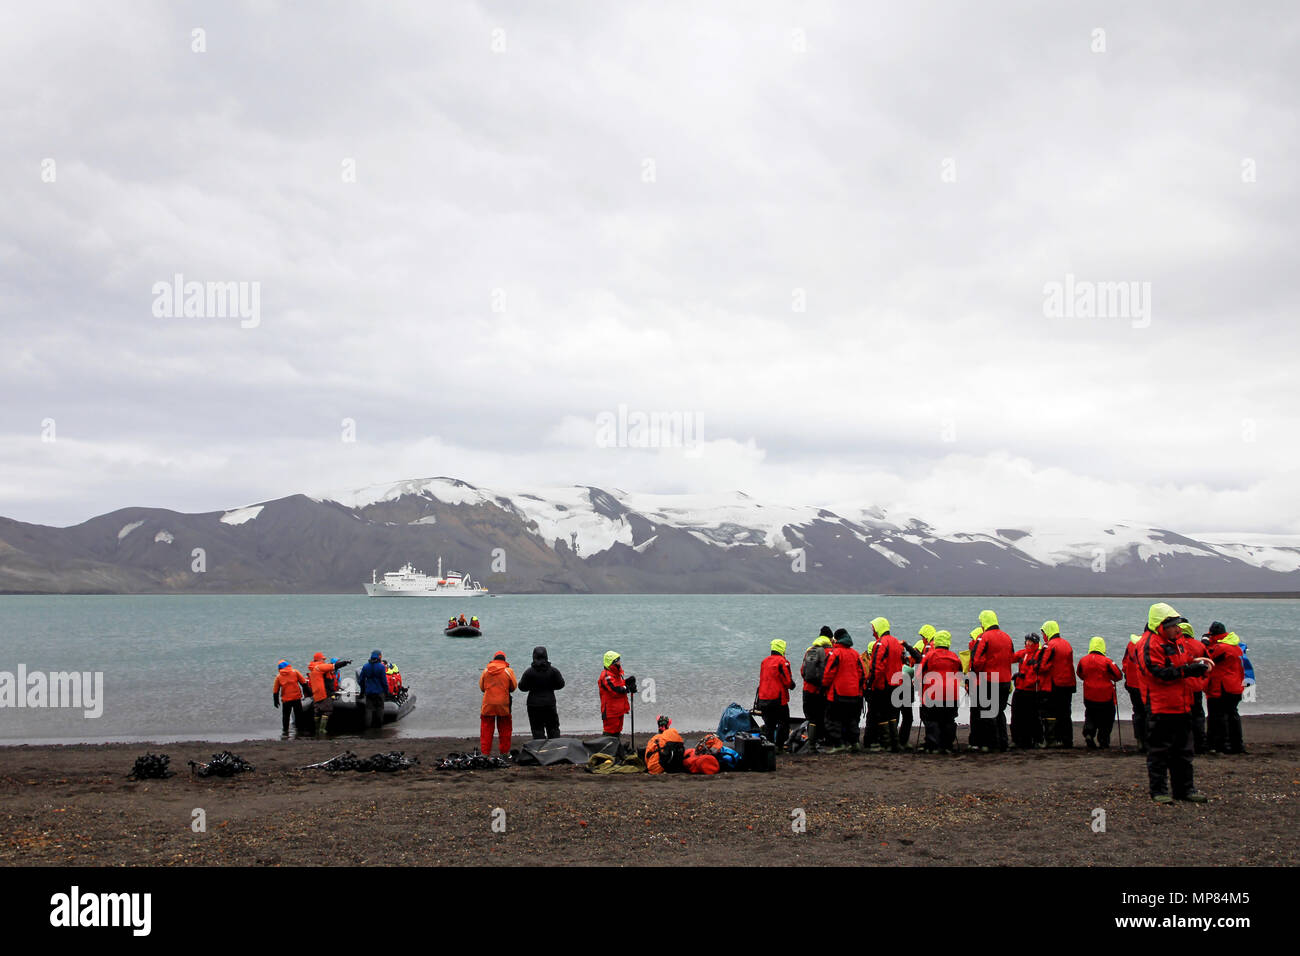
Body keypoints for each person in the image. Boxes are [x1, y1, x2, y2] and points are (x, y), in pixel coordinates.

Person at [1139, 602, 1212, 803]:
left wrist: (1197, 664)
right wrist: (1187, 671)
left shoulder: (1177, 642)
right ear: (1161, 625)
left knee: (1184, 750)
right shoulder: (1149, 644)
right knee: (1159, 751)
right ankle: (1159, 791)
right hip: (1160, 705)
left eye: (1177, 625)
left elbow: (1185, 660)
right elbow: (1156, 673)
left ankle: (1185, 789)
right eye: (1172, 625)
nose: (1177, 629)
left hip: (1182, 703)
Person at [970, 610, 1015, 752]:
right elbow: (1011, 657)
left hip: (989, 679)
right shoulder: (1007, 637)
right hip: (1005, 680)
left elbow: (976, 661)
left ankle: (991, 744)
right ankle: (1003, 743)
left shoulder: (984, 637)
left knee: (987, 713)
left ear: (984, 622)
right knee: (999, 712)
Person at [864, 617, 907, 752]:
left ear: (878, 628)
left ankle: (883, 743)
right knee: (892, 714)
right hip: (897, 683)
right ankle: (894, 743)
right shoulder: (897, 643)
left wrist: (870, 684)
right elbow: (902, 662)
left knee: (878, 714)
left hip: (883, 684)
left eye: (874, 629)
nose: (873, 632)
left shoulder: (880, 644)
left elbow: (877, 667)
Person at [1203, 622, 1246, 755]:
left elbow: (1206, 655)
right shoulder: (1236, 646)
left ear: (1213, 634)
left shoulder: (1220, 648)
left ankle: (1222, 745)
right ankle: (1237, 745)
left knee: (1218, 717)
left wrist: (1204, 642)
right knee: (1232, 715)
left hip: (1222, 687)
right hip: (1235, 686)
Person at [821, 629, 864, 753]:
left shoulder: (835, 653)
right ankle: (854, 743)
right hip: (853, 693)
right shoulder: (855, 654)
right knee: (851, 719)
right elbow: (861, 673)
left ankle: (838, 744)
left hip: (837, 693)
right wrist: (856, 686)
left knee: (832, 719)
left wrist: (823, 686)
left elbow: (829, 673)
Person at [920, 631, 963, 754]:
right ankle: (947, 745)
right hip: (951, 694)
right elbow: (960, 675)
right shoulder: (955, 657)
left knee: (932, 719)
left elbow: (919, 674)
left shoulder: (929, 656)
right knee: (948, 720)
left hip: (932, 694)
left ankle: (933, 745)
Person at [1076, 637, 1122, 748]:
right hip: (1105, 696)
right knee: (1107, 717)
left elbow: (1080, 673)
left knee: (1090, 714)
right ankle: (1103, 739)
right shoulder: (1107, 661)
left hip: (1089, 695)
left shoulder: (1083, 660)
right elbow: (1119, 675)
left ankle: (1089, 733)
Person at [1039, 621, 1076, 747]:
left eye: (1043, 632)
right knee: (1065, 713)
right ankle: (1067, 740)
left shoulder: (1049, 645)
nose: (1043, 635)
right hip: (1068, 684)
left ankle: (1051, 739)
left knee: (1050, 712)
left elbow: (1042, 666)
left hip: (1054, 684)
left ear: (1048, 631)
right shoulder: (1067, 644)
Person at [517, 646, 565, 739]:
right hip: (549, 703)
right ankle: (554, 749)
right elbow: (561, 684)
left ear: (533, 656)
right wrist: (551, 687)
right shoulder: (553, 671)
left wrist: (532, 686)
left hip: (533, 705)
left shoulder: (529, 672)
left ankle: (540, 751)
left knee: (537, 729)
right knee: (553, 728)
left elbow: (522, 687)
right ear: (546, 656)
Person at [757, 639, 797, 751]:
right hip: (777, 699)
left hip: (764, 698)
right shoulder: (782, 662)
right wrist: (793, 685)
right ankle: (779, 747)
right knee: (783, 723)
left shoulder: (764, 661)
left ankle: (769, 747)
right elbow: (788, 681)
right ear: (782, 649)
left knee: (769, 724)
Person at [801, 628, 834, 753]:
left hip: (808, 690)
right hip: (823, 691)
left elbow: (802, 671)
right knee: (824, 716)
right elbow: (831, 673)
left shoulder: (810, 650)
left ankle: (812, 743)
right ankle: (824, 741)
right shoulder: (830, 651)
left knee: (811, 717)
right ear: (830, 639)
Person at [479, 651, 518, 756]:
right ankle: (504, 752)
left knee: (486, 729)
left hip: (488, 703)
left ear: (494, 659)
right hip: (503, 704)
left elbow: (482, 688)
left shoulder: (486, 671)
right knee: (505, 729)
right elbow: (513, 687)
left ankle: (485, 753)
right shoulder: (508, 671)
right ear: (504, 660)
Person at [1180, 622, 1210, 754]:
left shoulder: (1176, 645)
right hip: (1196, 686)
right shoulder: (1200, 645)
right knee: (1198, 715)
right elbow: (1208, 664)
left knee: (1182, 716)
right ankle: (1200, 745)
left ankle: (1184, 744)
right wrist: (1203, 678)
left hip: (1181, 686)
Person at [307, 652, 350, 736]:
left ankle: (316, 729)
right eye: (323, 659)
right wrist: (345, 663)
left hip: (316, 693)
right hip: (324, 693)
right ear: (319, 659)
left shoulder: (313, 669)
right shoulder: (319, 667)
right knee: (326, 711)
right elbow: (333, 666)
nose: (324, 661)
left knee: (317, 712)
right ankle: (322, 730)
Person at [1010, 634, 1041, 749]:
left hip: (1031, 691)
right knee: (1016, 716)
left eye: (1030, 642)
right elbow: (1010, 658)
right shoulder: (1023, 653)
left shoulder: (1038, 655)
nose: (1028, 643)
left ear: (1036, 643)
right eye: (1027, 641)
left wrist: (1024, 679)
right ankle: (1017, 739)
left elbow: (1035, 675)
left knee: (1032, 717)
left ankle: (1034, 740)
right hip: (1020, 689)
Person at [1121, 634, 1148, 752]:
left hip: (1133, 684)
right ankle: (1148, 740)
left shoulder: (1132, 644)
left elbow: (1125, 663)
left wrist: (1127, 677)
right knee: (1149, 712)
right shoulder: (1153, 644)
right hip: (1146, 685)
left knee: (1138, 712)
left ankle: (1140, 740)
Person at [598, 651, 633, 741]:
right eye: (617, 661)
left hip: (619, 709)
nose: (619, 663)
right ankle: (606, 751)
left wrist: (627, 682)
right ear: (612, 662)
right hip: (610, 711)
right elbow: (615, 689)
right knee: (609, 733)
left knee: (617, 731)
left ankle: (616, 751)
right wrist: (627, 688)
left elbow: (620, 684)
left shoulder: (616, 674)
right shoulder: (606, 675)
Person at [272, 659, 309, 739]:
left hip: (286, 700)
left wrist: (276, 701)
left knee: (286, 716)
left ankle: (285, 732)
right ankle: (300, 731)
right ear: (288, 665)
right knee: (299, 715)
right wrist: (309, 694)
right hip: (296, 698)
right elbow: (304, 683)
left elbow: (275, 690)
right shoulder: (295, 672)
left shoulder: (279, 677)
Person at [359, 650, 389, 730]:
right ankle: (379, 727)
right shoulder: (381, 667)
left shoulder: (365, 666)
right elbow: (384, 681)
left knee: (369, 709)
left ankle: (368, 728)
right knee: (380, 708)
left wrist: (362, 691)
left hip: (369, 692)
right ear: (379, 656)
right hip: (379, 691)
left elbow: (361, 680)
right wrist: (386, 692)